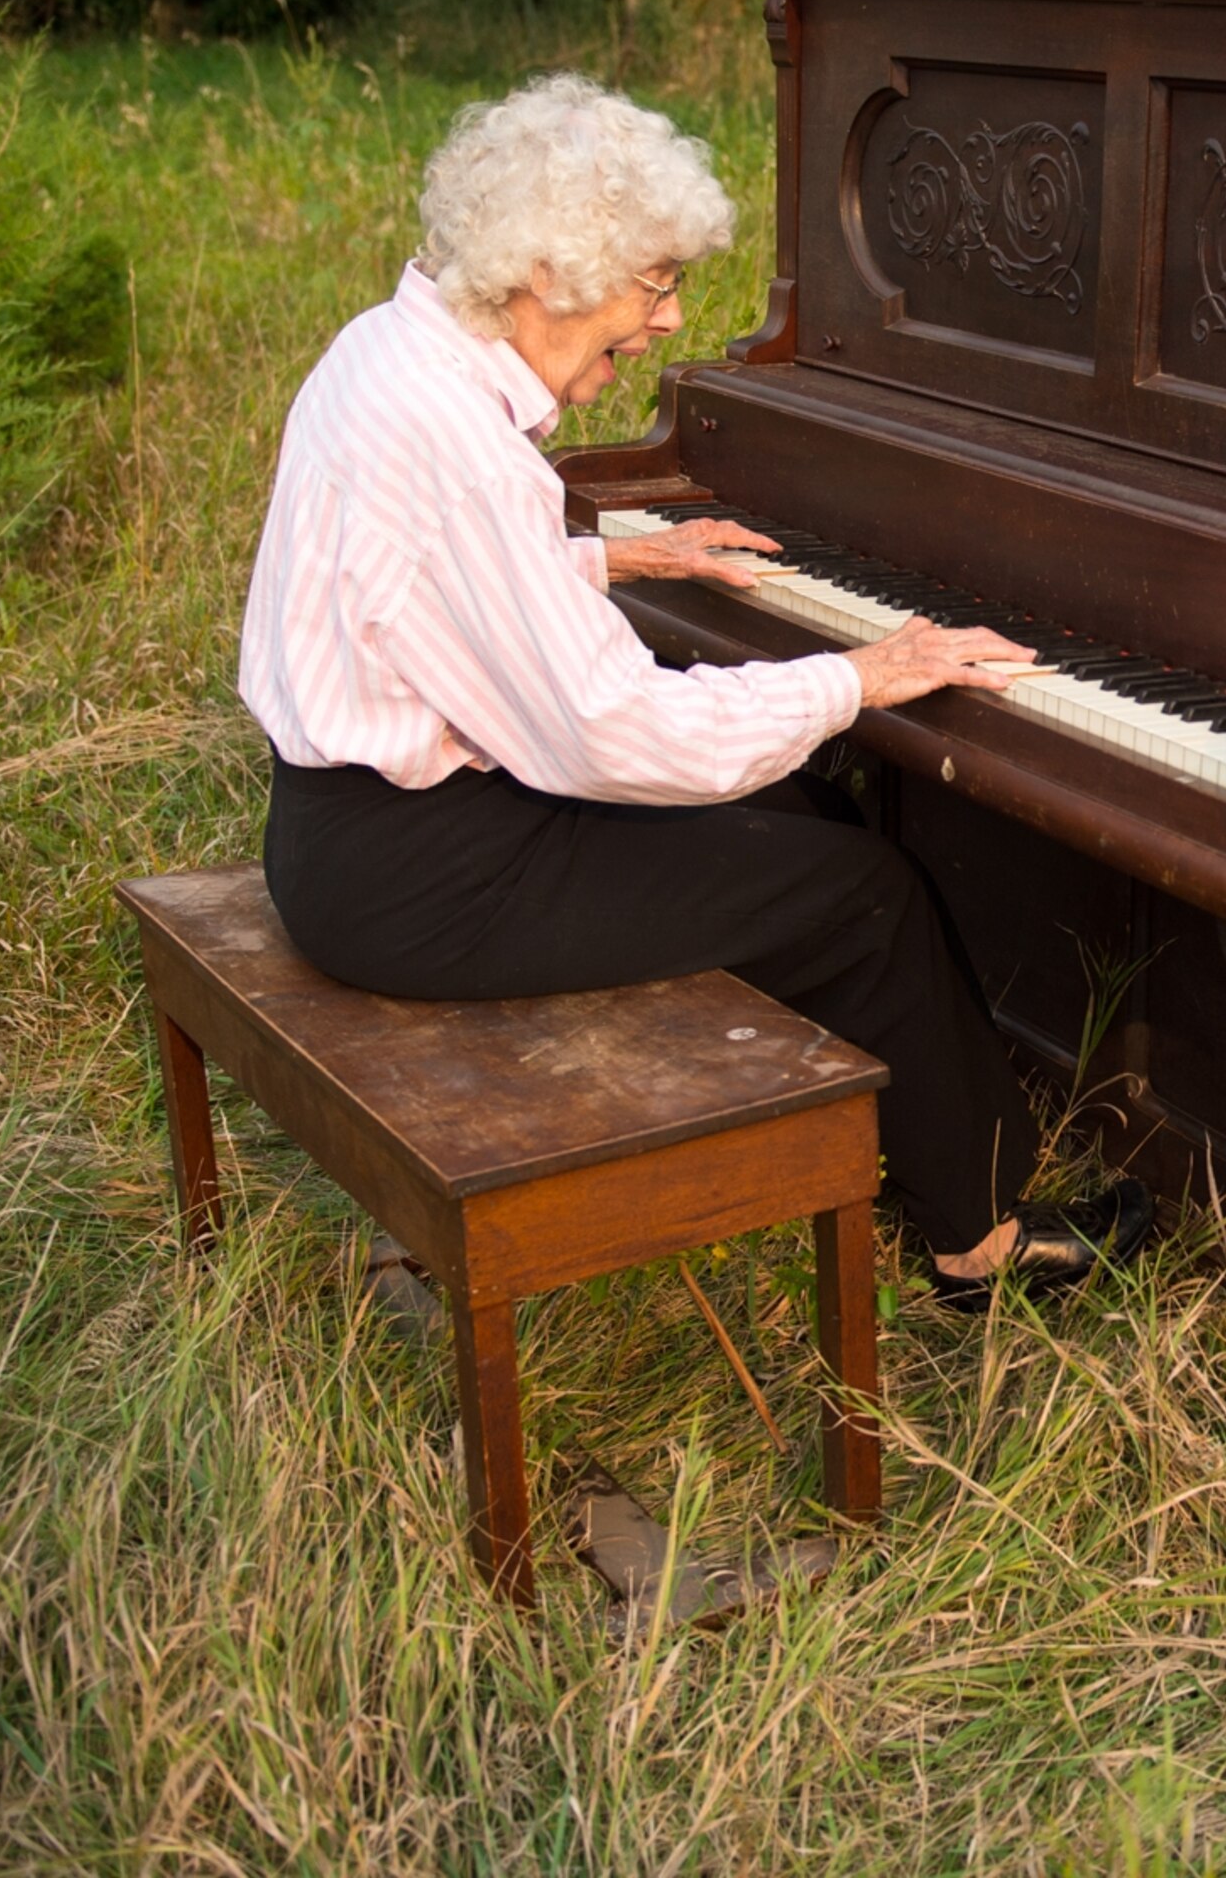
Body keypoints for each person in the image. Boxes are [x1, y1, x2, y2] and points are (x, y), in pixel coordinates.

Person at [236, 73, 1150, 1302]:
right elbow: (616, 734)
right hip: (415, 881)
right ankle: (976, 1241)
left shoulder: (389, 354)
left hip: (346, 835)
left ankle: (881, 1124)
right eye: (655, 283)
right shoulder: (458, 446)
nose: (666, 321)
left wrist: (611, 554)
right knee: (861, 894)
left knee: (806, 816)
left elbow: (410, 578)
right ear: (550, 275)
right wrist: (859, 674)